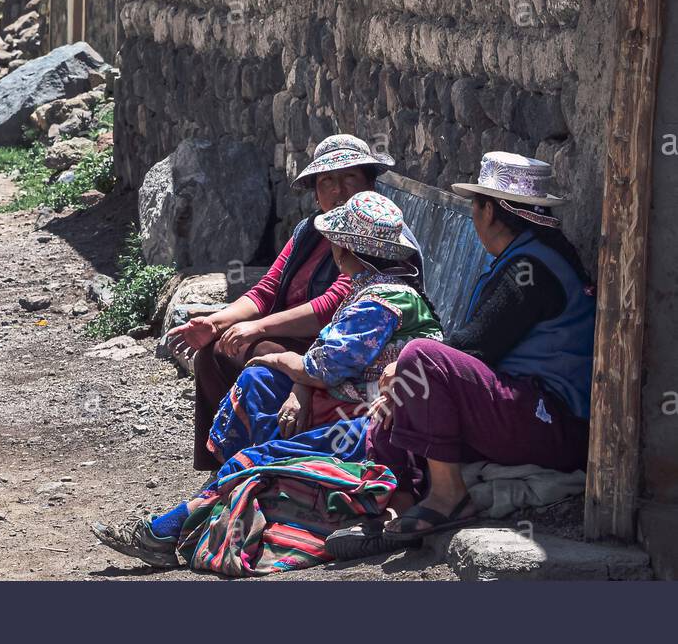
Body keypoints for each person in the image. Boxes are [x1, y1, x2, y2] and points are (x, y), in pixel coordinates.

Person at [92, 191, 442, 570]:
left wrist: (275, 357)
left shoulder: (379, 302)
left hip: (376, 423)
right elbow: (322, 355)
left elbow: (322, 367)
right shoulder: (372, 289)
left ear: (345, 250)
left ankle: (171, 527)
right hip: (355, 404)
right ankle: (222, 494)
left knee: (264, 453)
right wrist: (290, 377)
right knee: (259, 384)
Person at [326, 152, 596, 559]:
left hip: (552, 422)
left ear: (488, 211)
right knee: (390, 409)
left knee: (420, 359)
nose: (473, 216)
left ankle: (447, 496)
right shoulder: (525, 257)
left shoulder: (532, 269)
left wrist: (405, 369)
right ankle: (399, 508)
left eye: (475, 206)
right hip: (522, 411)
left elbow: (477, 346)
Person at [166, 134, 401, 470]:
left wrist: (257, 328)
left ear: (369, 184)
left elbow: (333, 304)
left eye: (349, 177)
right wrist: (217, 322)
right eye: (327, 181)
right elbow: (267, 289)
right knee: (213, 353)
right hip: (296, 336)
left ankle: (267, 461)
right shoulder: (308, 231)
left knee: (258, 355)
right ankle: (224, 462)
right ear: (316, 192)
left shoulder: (374, 235)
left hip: (342, 344)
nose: (338, 190)